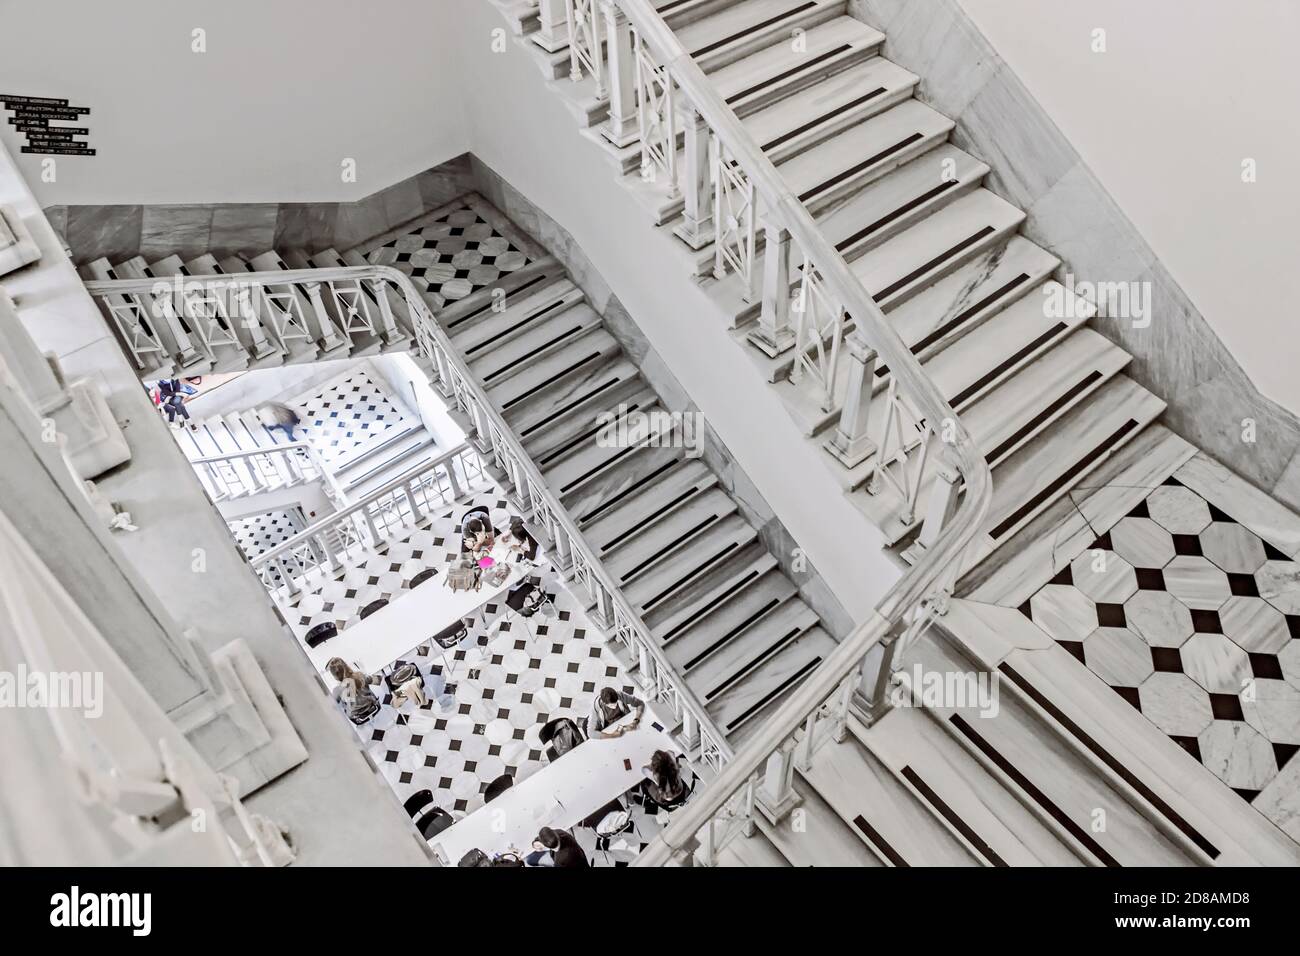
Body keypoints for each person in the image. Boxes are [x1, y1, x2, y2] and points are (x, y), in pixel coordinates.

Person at [325, 657, 381, 724]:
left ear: (334, 676)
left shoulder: (337, 690)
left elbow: (332, 706)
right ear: (346, 666)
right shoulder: (360, 675)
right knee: (364, 685)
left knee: (341, 703)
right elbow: (379, 680)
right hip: (374, 707)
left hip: (358, 719)